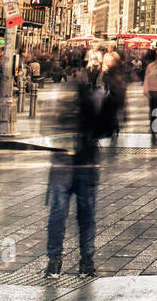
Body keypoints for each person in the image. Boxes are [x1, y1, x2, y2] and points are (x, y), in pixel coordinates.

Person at [44, 72, 116, 280]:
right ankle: (86, 261)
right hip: (86, 163)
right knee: (86, 215)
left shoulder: (61, 107)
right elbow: (105, 130)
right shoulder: (91, 104)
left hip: (63, 165)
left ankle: (55, 261)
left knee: (58, 213)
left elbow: (50, 130)